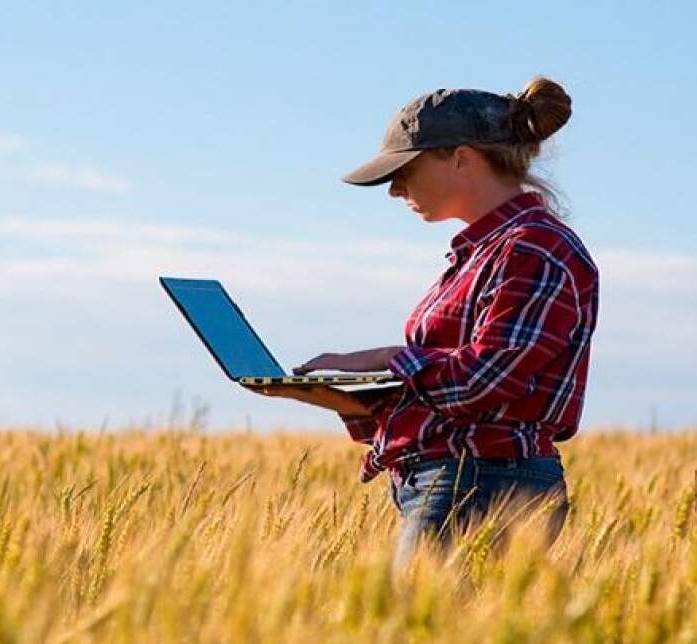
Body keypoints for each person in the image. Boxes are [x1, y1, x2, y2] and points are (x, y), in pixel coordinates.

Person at [252, 77, 599, 569]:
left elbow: (485, 380)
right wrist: (350, 401)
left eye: (406, 170)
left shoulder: (531, 248)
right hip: (462, 478)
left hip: (483, 481)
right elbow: (462, 392)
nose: (395, 190)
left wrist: (384, 358)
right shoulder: (488, 253)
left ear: (462, 158)